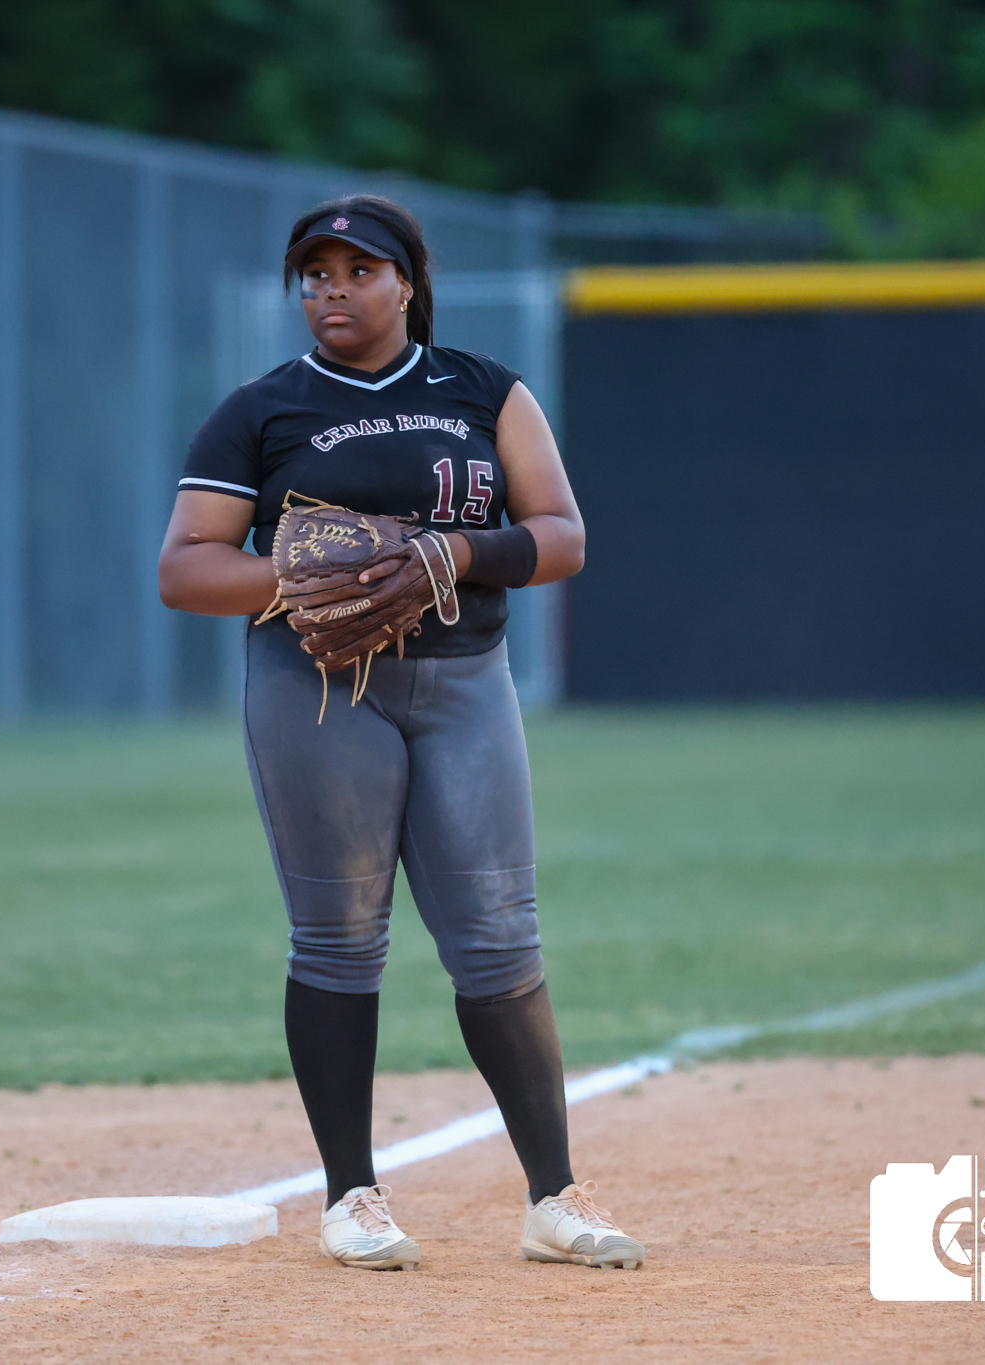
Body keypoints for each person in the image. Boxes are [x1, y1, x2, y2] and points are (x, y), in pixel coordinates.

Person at [158, 196, 647, 1271]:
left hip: (465, 682)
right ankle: (351, 1197)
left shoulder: (483, 389)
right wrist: (296, 577)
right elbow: (185, 567)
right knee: (338, 939)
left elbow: (560, 536)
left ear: (406, 283)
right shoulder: (261, 411)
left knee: (496, 937)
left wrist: (459, 557)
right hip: (320, 690)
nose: (330, 289)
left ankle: (553, 1199)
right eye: (313, 273)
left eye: (355, 270)